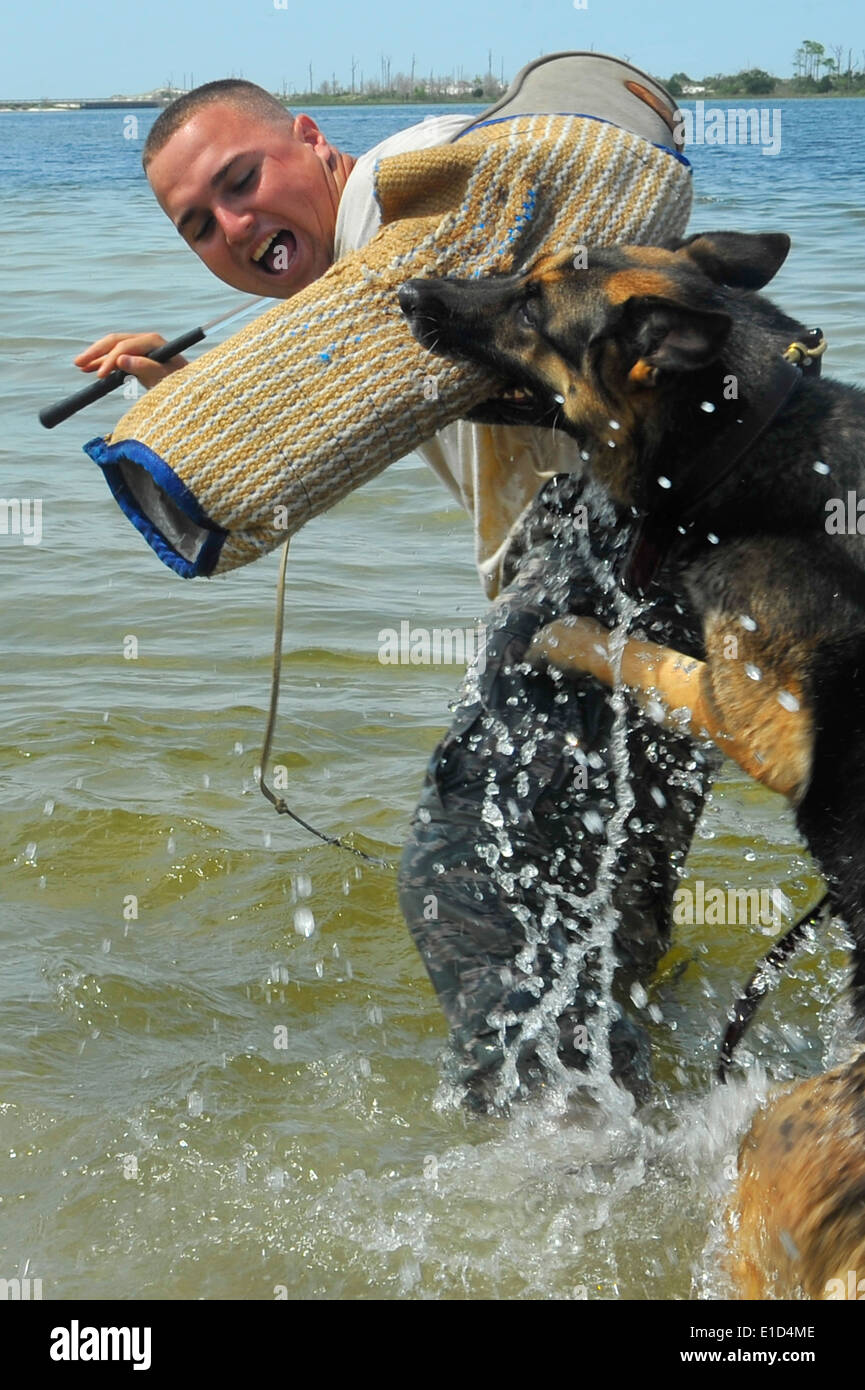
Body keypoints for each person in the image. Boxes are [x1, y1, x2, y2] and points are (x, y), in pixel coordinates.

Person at [75, 62, 712, 1109]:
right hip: (671, 577)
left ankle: (564, 1176)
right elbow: (350, 392)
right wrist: (198, 399)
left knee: (463, 876)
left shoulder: (400, 186)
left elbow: (504, 183)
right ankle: (673, 1138)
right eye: (198, 224)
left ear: (314, 141)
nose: (233, 226)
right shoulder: (373, 283)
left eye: (242, 180)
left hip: (604, 572)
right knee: (604, 917)